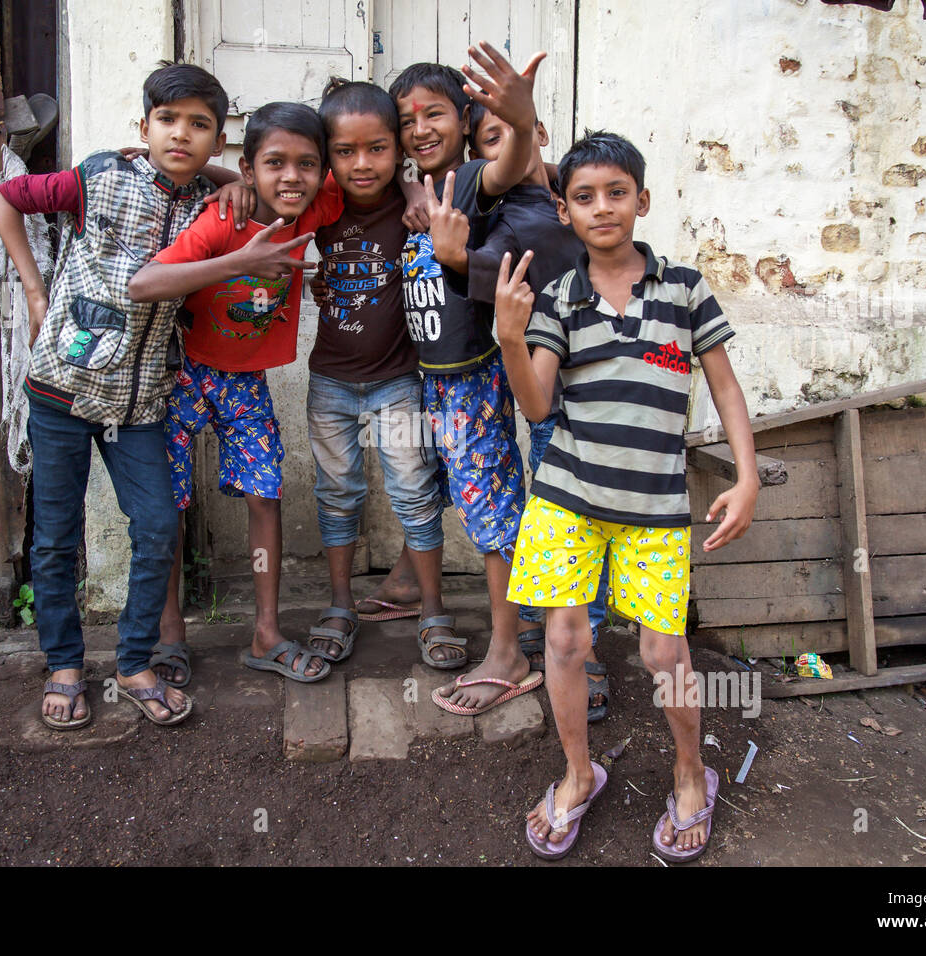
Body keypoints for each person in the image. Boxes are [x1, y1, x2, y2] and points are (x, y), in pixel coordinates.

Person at [494, 131, 758, 860]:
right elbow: (538, 408)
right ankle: (579, 774)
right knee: (565, 639)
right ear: (564, 211)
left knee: (662, 653)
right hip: (567, 500)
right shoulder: (556, 298)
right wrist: (511, 339)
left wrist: (748, 475)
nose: (602, 207)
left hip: (653, 509)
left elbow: (726, 387)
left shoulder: (685, 289)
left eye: (616, 193)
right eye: (584, 197)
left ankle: (688, 771)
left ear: (642, 200)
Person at [0, 62, 239, 729]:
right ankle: (64, 664)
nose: (180, 135)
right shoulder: (99, 176)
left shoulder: (208, 205)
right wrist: (36, 291)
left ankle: (133, 662)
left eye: (199, 126)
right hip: (61, 390)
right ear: (143, 126)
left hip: (140, 404)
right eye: (167, 120)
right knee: (55, 536)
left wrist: (218, 173)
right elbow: (6, 198)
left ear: (216, 140)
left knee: (158, 525)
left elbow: (255, 183)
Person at [129, 102, 344, 684]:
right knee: (168, 501)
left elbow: (364, 175)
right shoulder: (223, 223)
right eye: (275, 163)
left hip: (244, 381)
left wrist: (227, 178)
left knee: (263, 492)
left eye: (306, 164)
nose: (291, 177)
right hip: (183, 374)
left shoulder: (318, 207)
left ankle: (266, 631)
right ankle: (169, 632)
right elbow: (144, 282)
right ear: (250, 169)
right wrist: (234, 259)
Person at [428, 104, 612, 721]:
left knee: (571, 508)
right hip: (493, 370)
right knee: (511, 506)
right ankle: (532, 635)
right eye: (489, 139)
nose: (505, 146)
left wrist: (458, 261)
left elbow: (539, 262)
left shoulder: (572, 202)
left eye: (517, 131)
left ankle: (582, 650)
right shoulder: (485, 206)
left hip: (568, 386)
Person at [388, 46, 545, 710]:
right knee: (449, 492)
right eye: (408, 119)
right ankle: (412, 586)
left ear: (464, 118)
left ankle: (507, 653)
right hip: (433, 383)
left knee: (493, 515)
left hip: (476, 382)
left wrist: (522, 115)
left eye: (436, 114)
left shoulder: (472, 181)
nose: (421, 128)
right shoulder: (415, 190)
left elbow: (510, 165)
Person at [301, 79, 452, 665]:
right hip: (330, 381)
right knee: (336, 493)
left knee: (414, 490)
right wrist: (228, 177)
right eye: (345, 151)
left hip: (397, 381)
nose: (363, 164)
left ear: (400, 149)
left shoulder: (416, 206)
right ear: (327, 155)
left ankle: (433, 605)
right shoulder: (318, 206)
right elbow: (266, 179)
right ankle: (340, 603)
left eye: (379, 149)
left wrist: (416, 184)